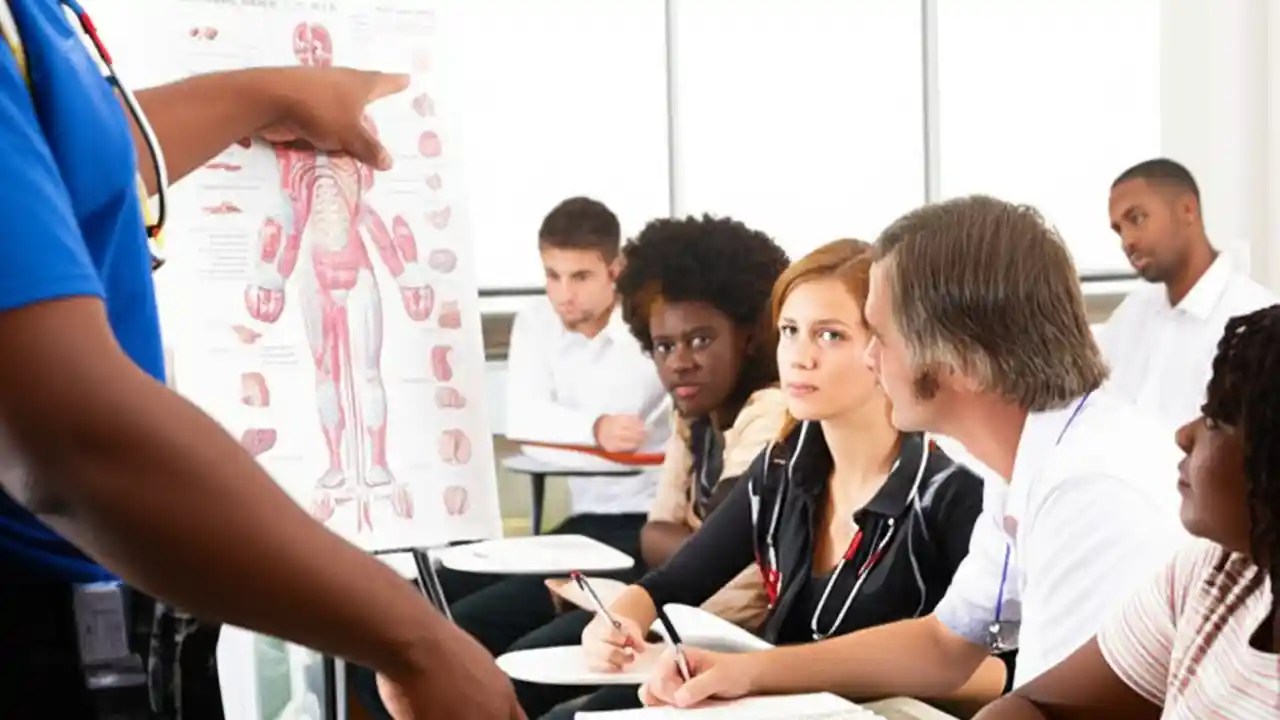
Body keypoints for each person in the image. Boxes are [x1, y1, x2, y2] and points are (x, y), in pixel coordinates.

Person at [0, 2, 520, 718]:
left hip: (116, 609)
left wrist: (265, 94)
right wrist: (415, 642)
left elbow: (67, 165)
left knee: (366, 379)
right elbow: (66, 436)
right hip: (34, 630)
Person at [639, 196, 1186, 709]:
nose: (871, 358)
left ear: (962, 354)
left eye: (879, 333)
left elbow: (1065, 708)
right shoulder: (1026, 463)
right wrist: (745, 673)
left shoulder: (1091, 491)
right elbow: (945, 646)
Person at [590, 238, 997, 713]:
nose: (800, 356)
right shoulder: (782, 467)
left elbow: (996, 672)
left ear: (888, 346)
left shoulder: (952, 489)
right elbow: (668, 587)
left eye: (830, 335)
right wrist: (617, 623)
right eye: (789, 330)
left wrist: (774, 676)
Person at [514, 214, 791, 718]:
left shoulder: (770, 413)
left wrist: (679, 554)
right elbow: (656, 534)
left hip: (722, 639)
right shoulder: (694, 416)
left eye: (701, 341)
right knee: (513, 666)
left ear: (748, 336)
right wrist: (681, 553)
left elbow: (730, 574)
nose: (679, 362)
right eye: (664, 346)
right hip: (674, 617)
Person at [974, 304, 1280, 719]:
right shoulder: (1214, 571)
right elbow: (1035, 707)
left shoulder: (1091, 480)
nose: (1184, 434)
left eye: (1217, 420)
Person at [1099, 158, 1276, 434]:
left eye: (1136, 219)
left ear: (1187, 209)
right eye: (1119, 229)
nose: (1127, 241)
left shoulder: (1254, 320)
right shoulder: (1134, 310)